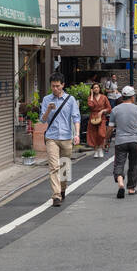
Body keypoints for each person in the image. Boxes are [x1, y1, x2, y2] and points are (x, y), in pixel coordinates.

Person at [40, 74, 81, 206]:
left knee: (65, 165)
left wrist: (77, 134)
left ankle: (63, 188)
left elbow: (76, 117)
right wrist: (48, 110)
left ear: (63, 85)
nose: (55, 88)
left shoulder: (70, 100)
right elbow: (43, 120)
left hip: (66, 137)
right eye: (53, 86)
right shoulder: (47, 99)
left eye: (58, 86)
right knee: (53, 167)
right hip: (51, 137)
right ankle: (56, 195)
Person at [107, 86, 137, 198]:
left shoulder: (115, 110)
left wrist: (106, 140)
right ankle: (131, 188)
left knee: (119, 163)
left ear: (122, 97)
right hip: (134, 140)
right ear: (132, 97)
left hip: (120, 141)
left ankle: (120, 183)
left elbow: (110, 128)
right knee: (133, 164)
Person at [86, 82, 112, 158]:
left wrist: (103, 111)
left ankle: (100, 148)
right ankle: (96, 150)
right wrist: (91, 95)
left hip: (102, 118)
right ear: (92, 89)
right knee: (93, 135)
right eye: (94, 88)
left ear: (99, 88)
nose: (96, 89)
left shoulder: (104, 97)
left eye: (97, 87)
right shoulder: (91, 98)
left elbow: (109, 108)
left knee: (101, 134)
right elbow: (90, 105)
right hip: (93, 118)